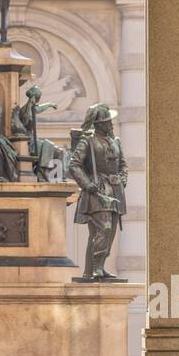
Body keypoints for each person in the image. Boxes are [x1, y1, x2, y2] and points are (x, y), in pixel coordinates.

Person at [69, 102, 128, 280]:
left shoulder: (115, 142)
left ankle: (94, 269)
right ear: (98, 124)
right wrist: (87, 184)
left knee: (107, 234)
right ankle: (97, 268)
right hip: (97, 191)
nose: (110, 123)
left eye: (110, 121)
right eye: (107, 121)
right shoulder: (88, 141)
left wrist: (123, 179)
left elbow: (123, 165)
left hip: (115, 191)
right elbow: (74, 164)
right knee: (104, 228)